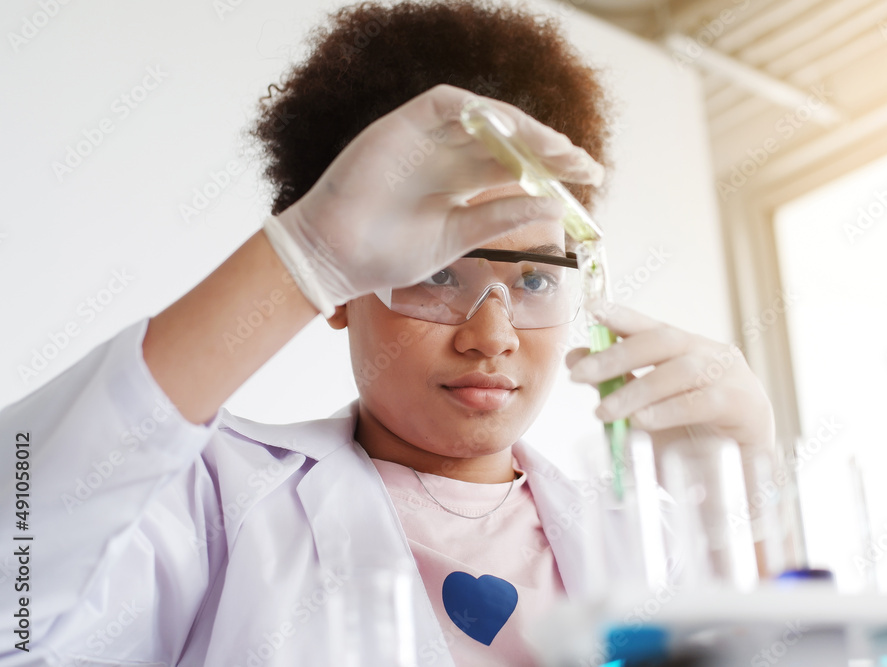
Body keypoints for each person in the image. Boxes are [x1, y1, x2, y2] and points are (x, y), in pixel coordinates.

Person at [0, 2, 775, 665]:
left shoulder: (643, 537)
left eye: (535, 279)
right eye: (440, 273)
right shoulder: (221, 507)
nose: (491, 335)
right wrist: (295, 261)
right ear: (344, 287)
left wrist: (745, 502)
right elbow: (17, 592)